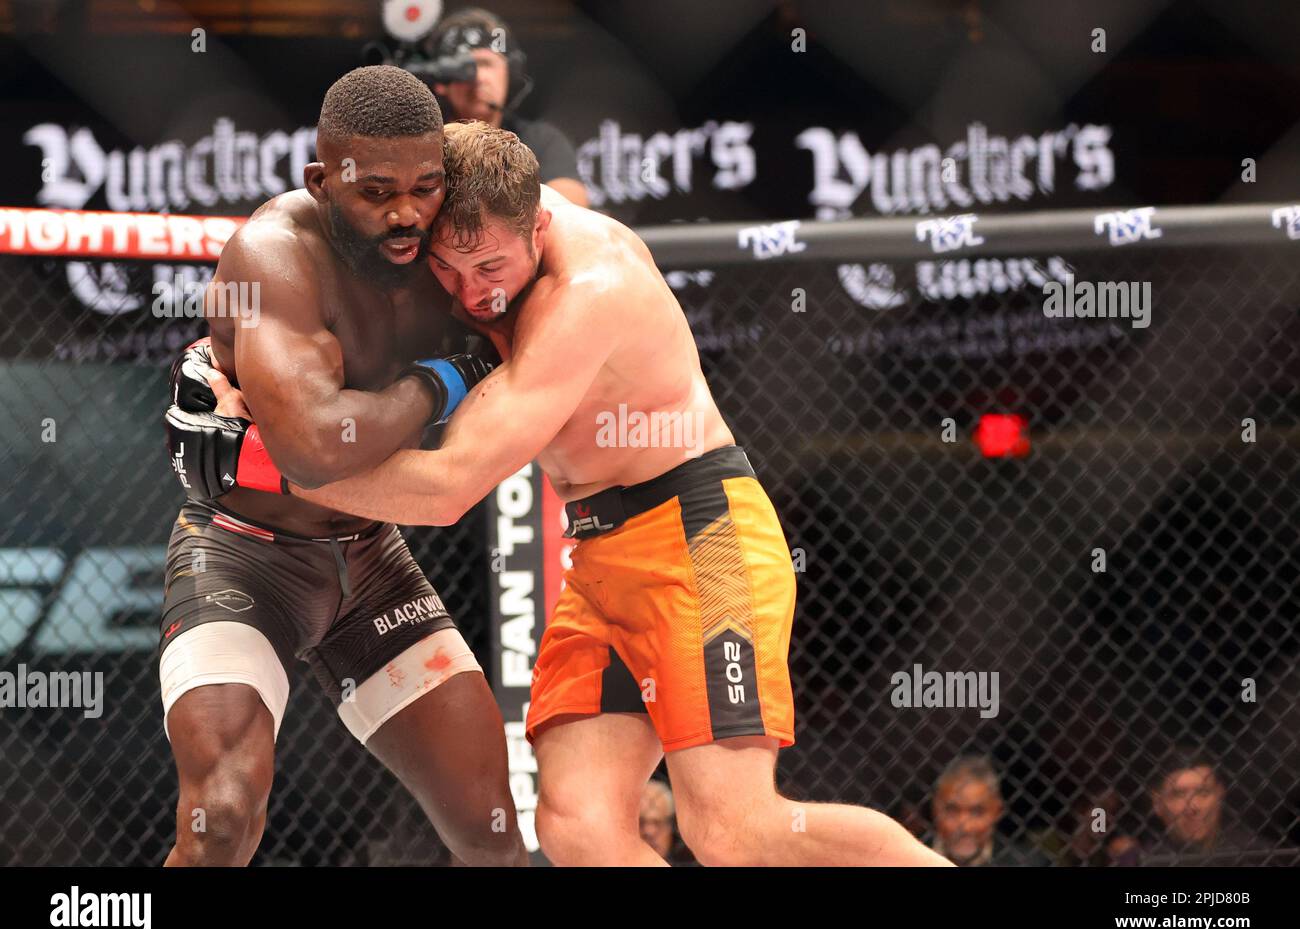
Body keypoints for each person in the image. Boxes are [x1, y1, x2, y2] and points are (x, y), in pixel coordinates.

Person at [172, 119, 951, 867]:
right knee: (575, 827)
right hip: (603, 555)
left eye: (488, 270)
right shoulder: (457, 253)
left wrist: (265, 458)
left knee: (735, 831)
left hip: (702, 538)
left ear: (539, 226)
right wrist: (236, 365)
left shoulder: (590, 291)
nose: (470, 294)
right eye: (449, 267)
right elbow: (343, 310)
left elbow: (447, 486)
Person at [159, 67, 525, 866]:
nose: (405, 213)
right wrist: (445, 380)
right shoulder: (274, 255)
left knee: (492, 827)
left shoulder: (455, 249)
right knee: (220, 817)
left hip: (374, 561)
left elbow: (543, 221)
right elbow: (315, 449)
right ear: (322, 181)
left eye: (426, 187)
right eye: (377, 192)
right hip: (244, 556)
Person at [426, 7, 589, 207]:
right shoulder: (425, 144)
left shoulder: (541, 140)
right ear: (442, 80)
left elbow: (571, 209)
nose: (477, 77)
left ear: (509, 73)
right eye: (463, 67)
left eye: (486, 64)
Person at [1143, 748, 1267, 865]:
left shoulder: (1256, 854)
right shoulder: (1144, 859)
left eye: (1203, 792)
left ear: (1220, 794)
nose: (1193, 806)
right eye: (1179, 795)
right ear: (1158, 803)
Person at [927, 756, 1049, 866]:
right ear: (935, 808)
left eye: (977, 812)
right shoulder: (909, 855)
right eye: (952, 810)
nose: (965, 827)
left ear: (997, 811)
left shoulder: (1029, 863)